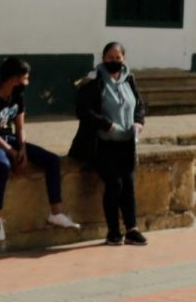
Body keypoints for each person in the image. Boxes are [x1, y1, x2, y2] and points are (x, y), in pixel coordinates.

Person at [0, 56, 79, 242]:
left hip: (10, 139)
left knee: (52, 160)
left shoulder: (18, 97)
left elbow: (20, 127)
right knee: (2, 166)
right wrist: (12, 153)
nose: (27, 83)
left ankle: (56, 213)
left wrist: (22, 149)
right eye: (25, 78)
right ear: (14, 78)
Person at [70, 42, 148, 246]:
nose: (114, 62)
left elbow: (139, 104)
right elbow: (83, 111)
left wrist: (139, 122)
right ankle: (113, 231)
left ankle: (132, 229)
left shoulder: (129, 78)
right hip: (102, 143)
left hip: (127, 142)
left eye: (118, 58)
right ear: (103, 58)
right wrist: (107, 124)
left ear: (124, 59)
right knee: (114, 184)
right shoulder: (93, 81)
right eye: (110, 58)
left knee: (128, 186)